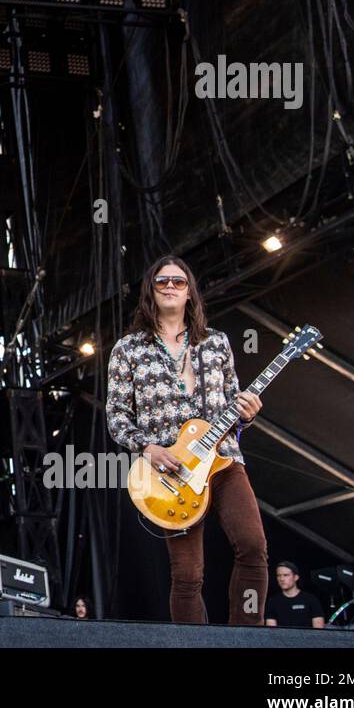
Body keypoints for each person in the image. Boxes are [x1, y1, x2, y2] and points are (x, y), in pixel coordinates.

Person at [106, 255, 267, 624]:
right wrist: (148, 448)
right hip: (171, 469)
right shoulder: (128, 350)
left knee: (253, 546)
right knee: (188, 574)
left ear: (190, 292)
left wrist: (249, 413)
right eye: (162, 282)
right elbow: (116, 416)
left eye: (179, 282)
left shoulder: (217, 343)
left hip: (223, 459)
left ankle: (250, 635)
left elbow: (235, 406)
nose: (170, 288)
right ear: (150, 291)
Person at [264, 561, 325, 628]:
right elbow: (271, 632)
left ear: (296, 577)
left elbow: (319, 631)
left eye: (286, 575)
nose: (281, 579)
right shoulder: (273, 601)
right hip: (281, 638)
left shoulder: (311, 599)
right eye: (279, 575)